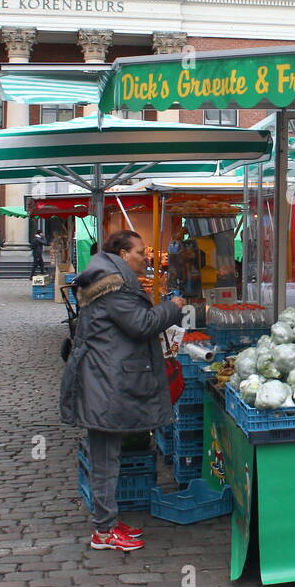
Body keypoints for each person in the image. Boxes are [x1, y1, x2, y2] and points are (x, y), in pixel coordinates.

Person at [60, 230, 186, 553]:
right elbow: (141, 323)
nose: (146, 257)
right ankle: (103, 531)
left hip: (102, 380)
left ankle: (109, 521)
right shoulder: (114, 286)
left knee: (108, 456)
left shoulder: (110, 279)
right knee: (105, 459)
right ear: (123, 254)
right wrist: (172, 308)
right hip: (103, 383)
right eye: (140, 252)